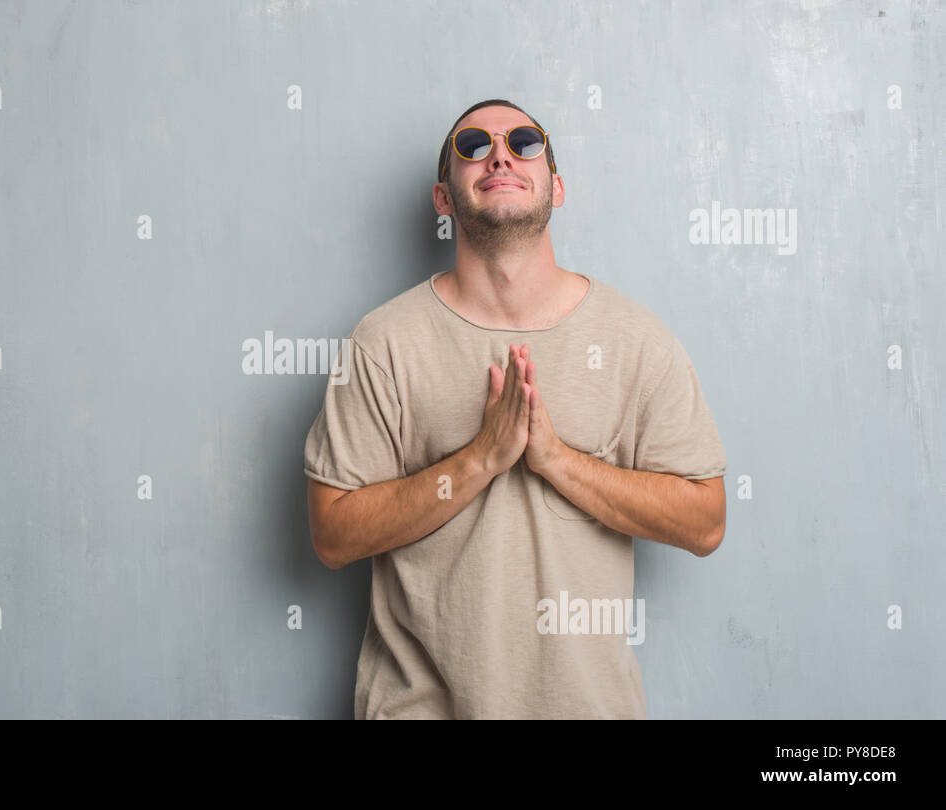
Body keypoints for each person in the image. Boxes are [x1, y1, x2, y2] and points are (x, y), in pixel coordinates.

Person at [303, 99, 727, 719]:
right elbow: (331, 534)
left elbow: (706, 522)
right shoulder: (383, 342)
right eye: (471, 146)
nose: (499, 153)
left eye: (525, 141)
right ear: (444, 199)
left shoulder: (636, 338)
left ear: (555, 186)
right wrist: (479, 460)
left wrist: (556, 461)